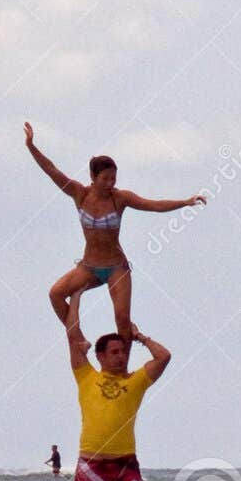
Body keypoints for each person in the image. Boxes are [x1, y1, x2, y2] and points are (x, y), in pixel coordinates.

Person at [24, 121, 207, 338]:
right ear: (93, 178)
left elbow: (154, 205)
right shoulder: (79, 194)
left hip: (116, 269)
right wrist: (31, 146)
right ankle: (78, 340)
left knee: (122, 320)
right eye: (105, 179)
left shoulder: (120, 198)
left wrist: (185, 202)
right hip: (89, 267)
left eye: (113, 178)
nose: (110, 183)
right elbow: (52, 170)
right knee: (55, 294)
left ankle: (122, 369)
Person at [64, 292, 170, 481]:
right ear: (99, 356)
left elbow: (164, 357)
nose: (121, 356)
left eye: (123, 352)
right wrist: (75, 295)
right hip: (91, 464)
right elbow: (72, 333)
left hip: (125, 465)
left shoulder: (135, 381)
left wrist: (140, 337)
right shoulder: (86, 376)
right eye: (114, 352)